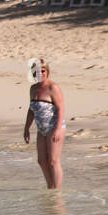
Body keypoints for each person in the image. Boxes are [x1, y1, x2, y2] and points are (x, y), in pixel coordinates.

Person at [24, 58, 66, 189]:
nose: (40, 74)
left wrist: (58, 129)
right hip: (40, 128)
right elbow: (31, 109)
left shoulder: (52, 87)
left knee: (53, 161)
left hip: (54, 126)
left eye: (43, 71)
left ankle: (56, 191)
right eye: (37, 72)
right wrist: (26, 128)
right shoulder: (33, 89)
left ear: (47, 72)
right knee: (42, 161)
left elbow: (60, 108)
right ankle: (50, 188)